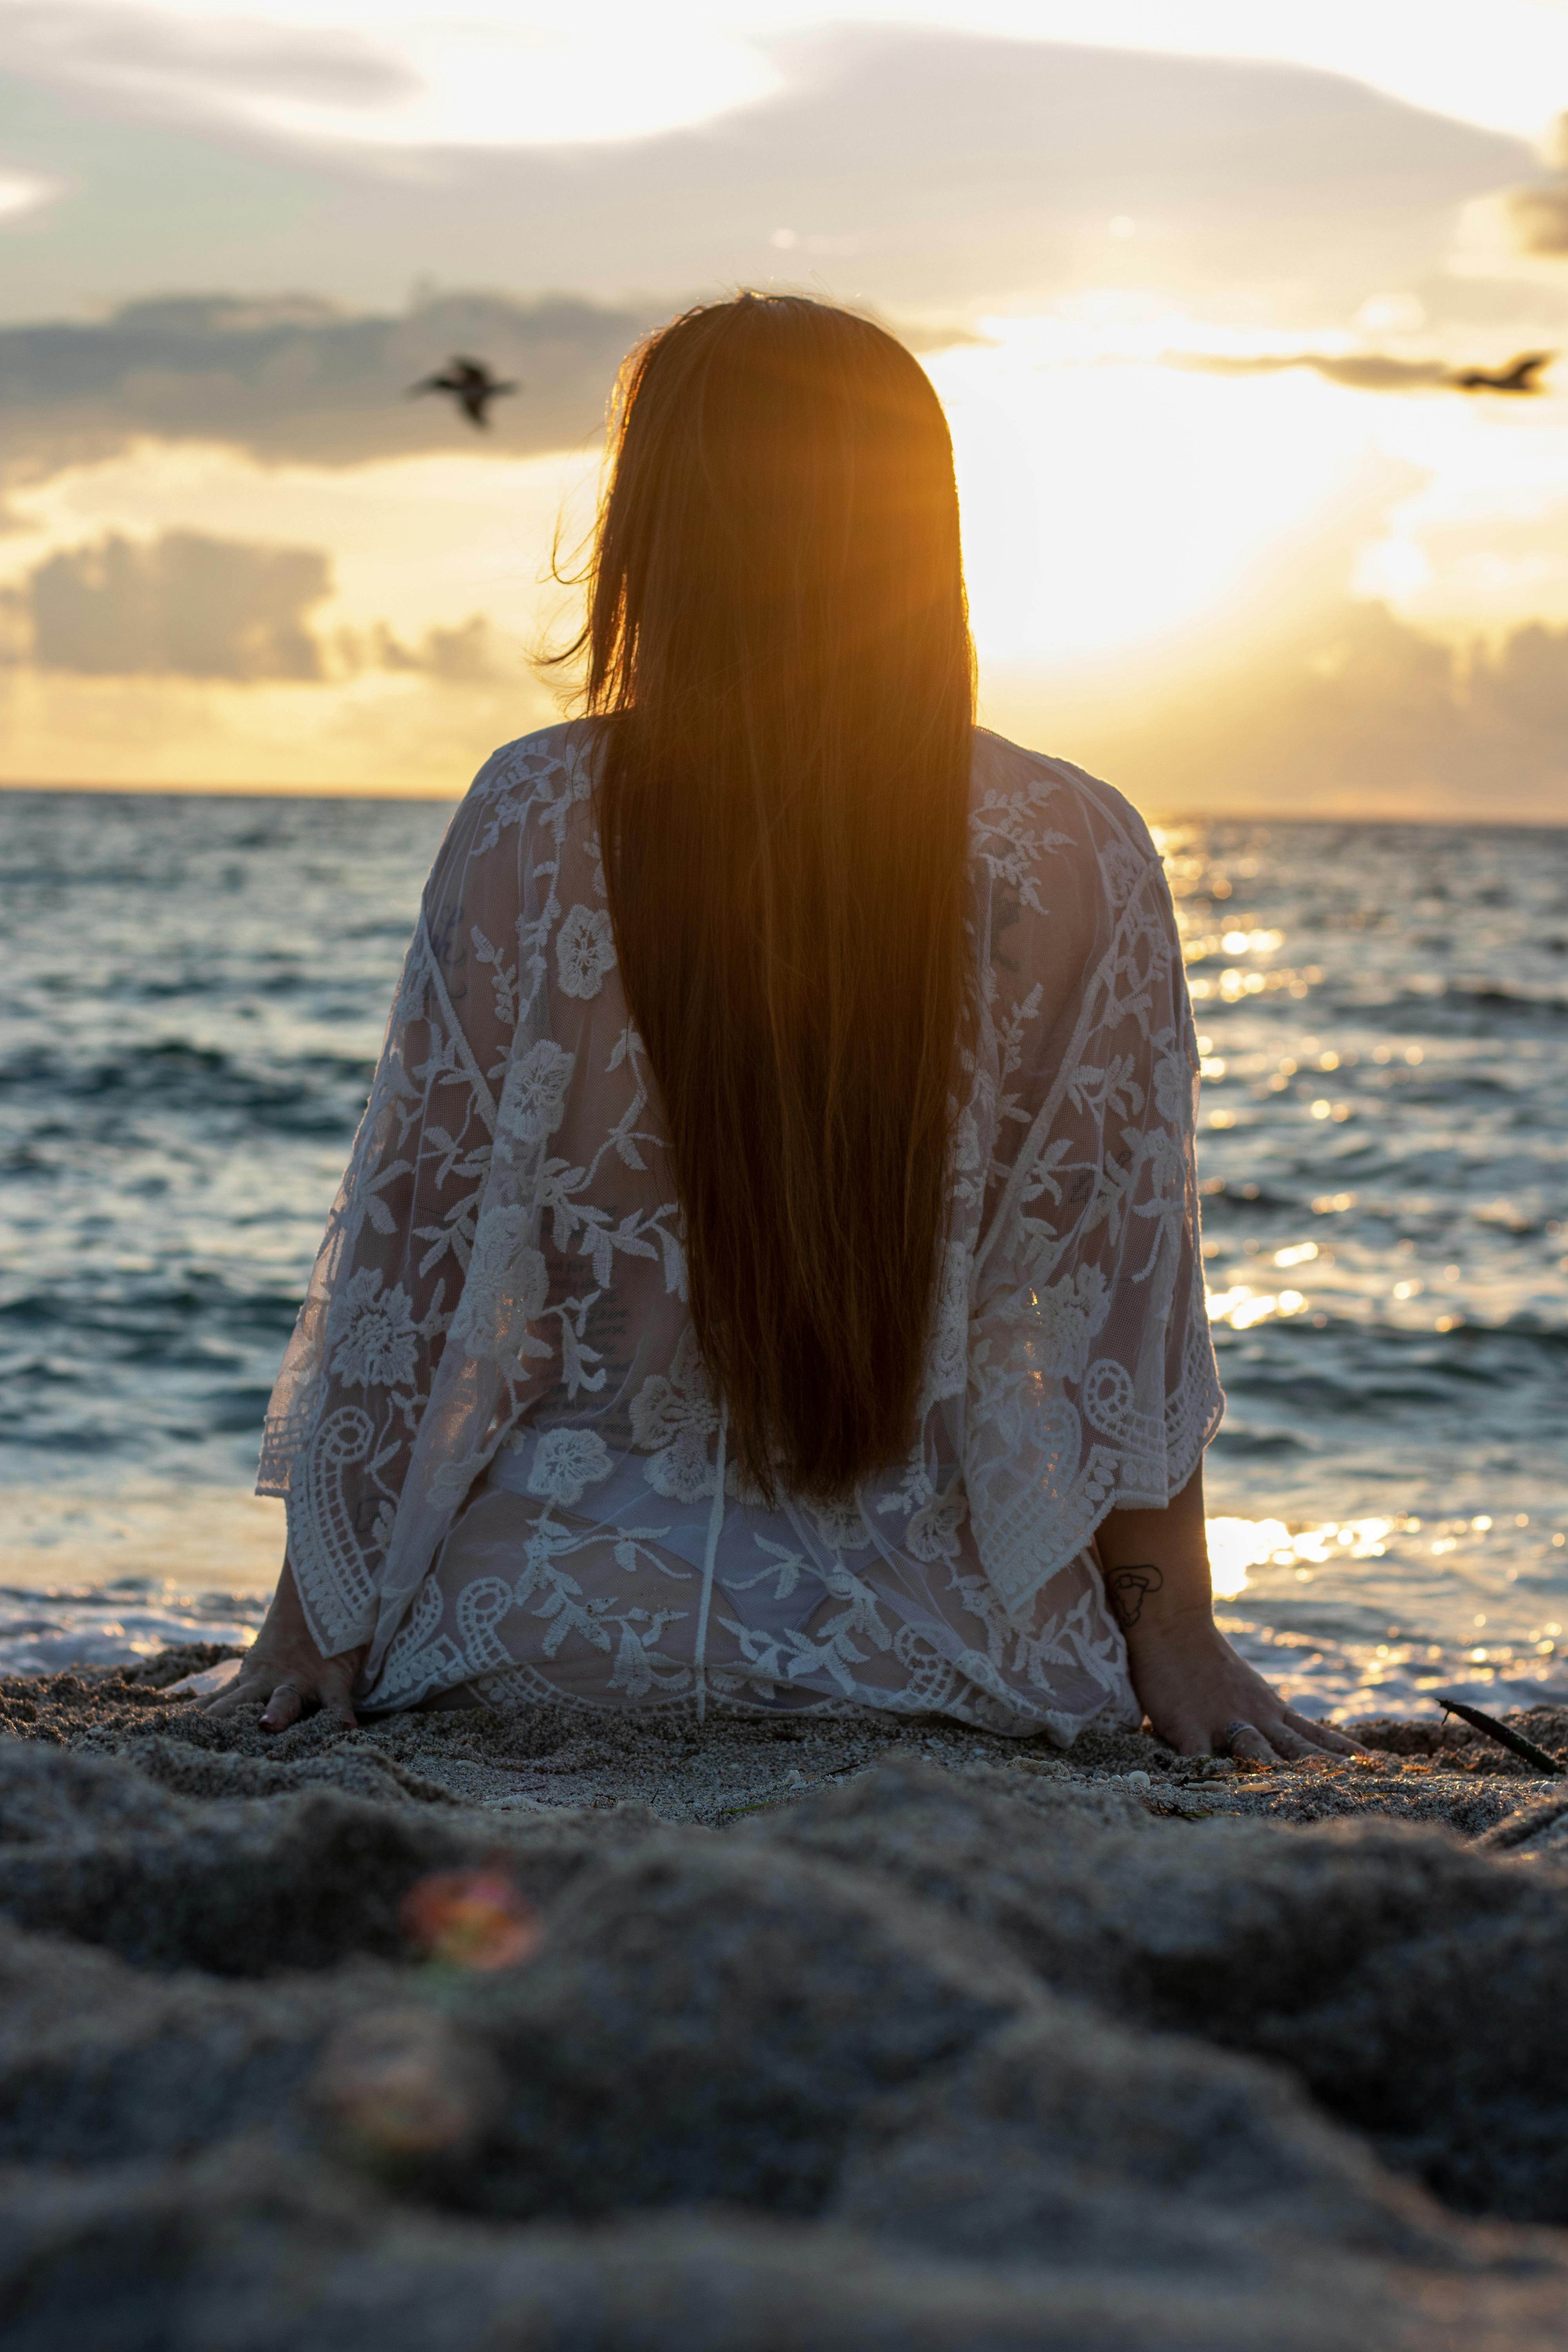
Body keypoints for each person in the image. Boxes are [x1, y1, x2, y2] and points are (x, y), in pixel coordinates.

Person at [211, 293, 1355, 1767]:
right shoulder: (1082, 846)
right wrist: (1176, 1640)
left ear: (655, 535)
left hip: (549, 1624)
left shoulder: (530, 818)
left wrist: (310, 1636)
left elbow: (415, 1264)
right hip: (943, 1654)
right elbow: (1113, 1291)